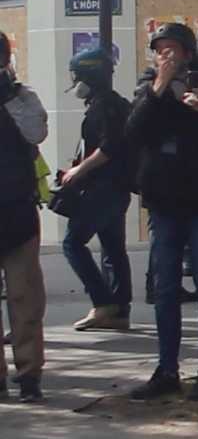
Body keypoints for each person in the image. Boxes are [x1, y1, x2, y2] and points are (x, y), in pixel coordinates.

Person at [123, 38, 198, 403]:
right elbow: (133, 131)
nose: (167, 55)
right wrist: (159, 85)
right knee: (166, 289)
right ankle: (167, 370)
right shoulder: (148, 86)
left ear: (189, 54)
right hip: (163, 202)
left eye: (174, 49)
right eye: (160, 50)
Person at [55, 43, 137, 330]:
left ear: (90, 76)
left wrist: (79, 170)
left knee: (72, 243)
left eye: (77, 76)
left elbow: (109, 147)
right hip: (115, 188)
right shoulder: (111, 103)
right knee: (113, 248)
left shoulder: (104, 106)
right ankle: (119, 310)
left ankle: (103, 304)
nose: (75, 82)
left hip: (103, 188)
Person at [0, 58, 41, 403]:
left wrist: (9, 98)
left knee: (24, 298)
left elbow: (37, 132)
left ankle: (29, 375)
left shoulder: (22, 97)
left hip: (17, 213)